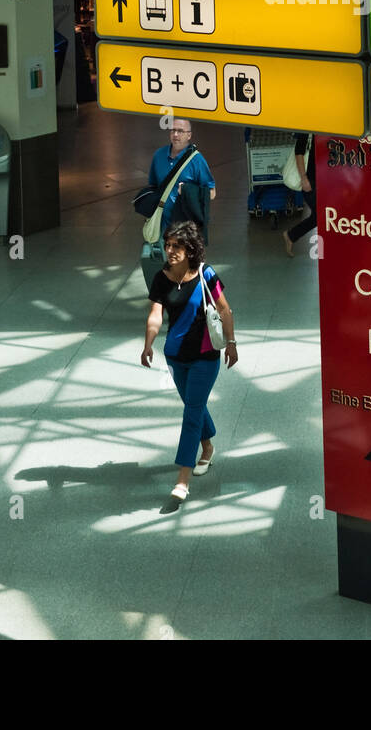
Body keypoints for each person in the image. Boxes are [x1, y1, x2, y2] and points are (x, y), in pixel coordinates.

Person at [141, 221, 237, 502]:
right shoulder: (161, 278)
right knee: (194, 405)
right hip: (175, 356)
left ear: (190, 248)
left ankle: (182, 479)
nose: (169, 250)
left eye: (176, 246)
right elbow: (156, 315)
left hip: (205, 356)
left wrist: (231, 343)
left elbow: (225, 309)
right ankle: (207, 448)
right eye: (167, 245)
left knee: (192, 410)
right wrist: (148, 344)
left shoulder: (207, 274)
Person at [146, 118, 215, 250]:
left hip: (186, 229)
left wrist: (188, 191)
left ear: (189, 135)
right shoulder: (159, 156)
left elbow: (211, 193)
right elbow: (153, 187)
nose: (175, 135)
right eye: (173, 130)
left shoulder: (197, 160)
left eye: (180, 131)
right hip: (162, 227)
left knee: (186, 267)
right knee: (167, 266)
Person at [282, 132, 315, 258]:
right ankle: (291, 235)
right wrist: (303, 178)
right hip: (310, 181)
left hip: (325, 180)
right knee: (321, 215)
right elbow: (299, 152)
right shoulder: (307, 128)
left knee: (322, 215)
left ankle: (291, 235)